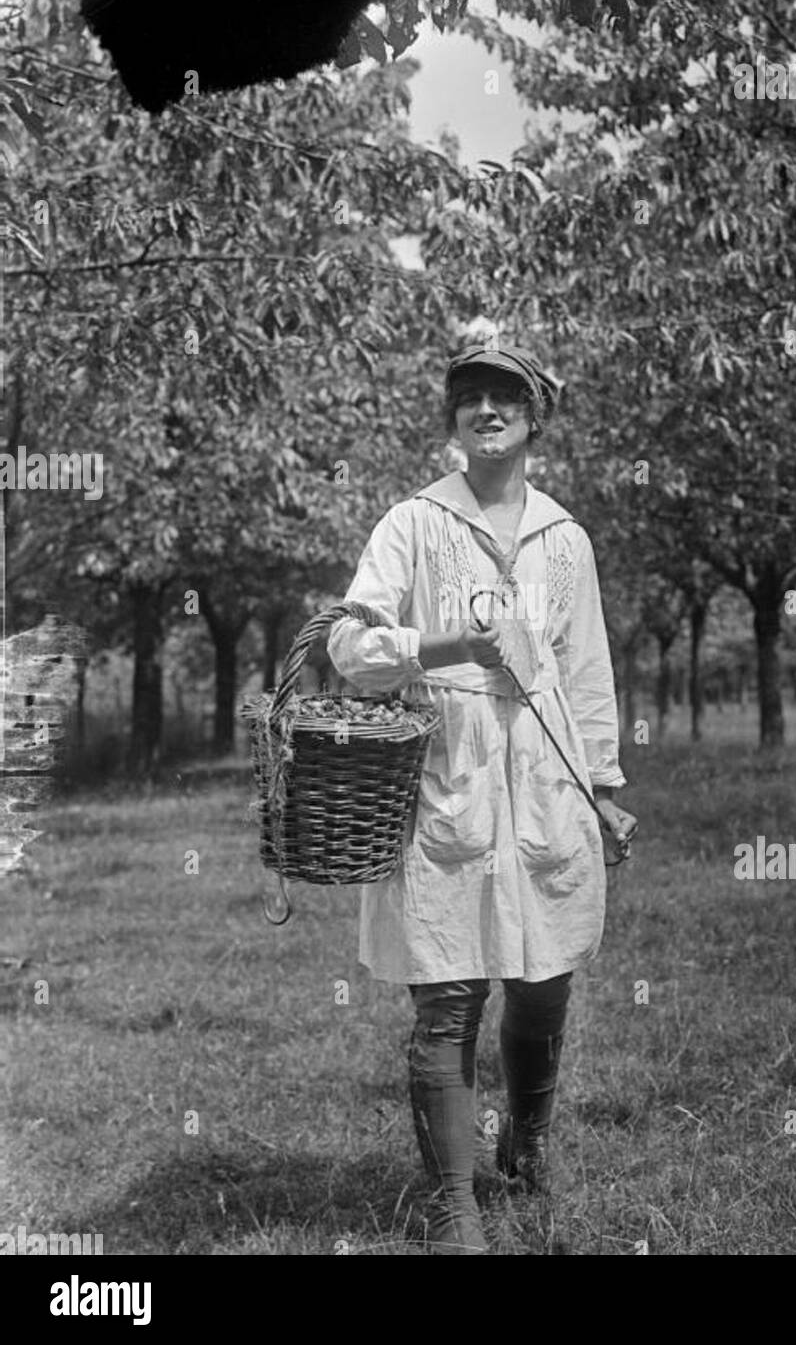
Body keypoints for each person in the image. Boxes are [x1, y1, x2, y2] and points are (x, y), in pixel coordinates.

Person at [315, 342, 638, 1255]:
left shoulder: (564, 539)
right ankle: (454, 1203)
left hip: (543, 775)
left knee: (542, 982)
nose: (486, 411)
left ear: (536, 420)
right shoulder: (413, 525)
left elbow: (586, 673)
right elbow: (348, 646)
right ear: (452, 421)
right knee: (449, 994)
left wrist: (605, 788)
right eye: (470, 399)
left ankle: (526, 1147)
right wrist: (450, 646)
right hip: (444, 772)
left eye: (505, 399)